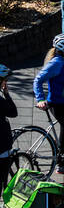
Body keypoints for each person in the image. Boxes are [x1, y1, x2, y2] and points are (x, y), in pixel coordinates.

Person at [33, 34, 64, 173]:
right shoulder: (57, 62)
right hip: (58, 104)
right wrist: (40, 99)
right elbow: (38, 80)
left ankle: (61, 164)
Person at [0, 64, 17, 195]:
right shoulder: (0, 101)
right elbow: (13, 112)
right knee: (2, 182)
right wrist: (7, 94)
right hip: (2, 147)